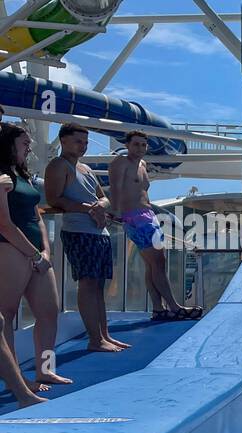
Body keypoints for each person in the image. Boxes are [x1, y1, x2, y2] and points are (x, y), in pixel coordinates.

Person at [45, 124, 131, 353]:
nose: (83, 146)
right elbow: (54, 199)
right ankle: (95, 339)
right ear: (63, 141)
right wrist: (89, 209)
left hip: (98, 232)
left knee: (98, 286)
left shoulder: (85, 169)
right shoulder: (58, 165)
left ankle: (104, 335)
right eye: (78, 141)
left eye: (85, 142)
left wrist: (100, 207)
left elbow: (103, 197)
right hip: (79, 231)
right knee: (88, 283)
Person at [0, 123, 70, 390]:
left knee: (49, 312)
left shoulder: (23, 175)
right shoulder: (2, 177)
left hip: (36, 252)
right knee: (6, 314)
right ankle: (15, 377)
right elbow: (4, 223)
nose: (29, 148)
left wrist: (45, 251)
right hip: (9, 248)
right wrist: (32, 253)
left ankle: (46, 370)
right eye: (24, 144)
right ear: (9, 145)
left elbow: (36, 215)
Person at [109, 130, 199, 321]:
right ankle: (174, 306)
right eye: (136, 144)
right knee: (158, 262)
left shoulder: (142, 164)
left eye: (143, 144)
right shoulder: (120, 162)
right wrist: (116, 212)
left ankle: (159, 309)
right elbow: (115, 187)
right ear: (127, 145)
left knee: (153, 265)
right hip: (134, 217)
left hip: (148, 216)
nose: (140, 148)